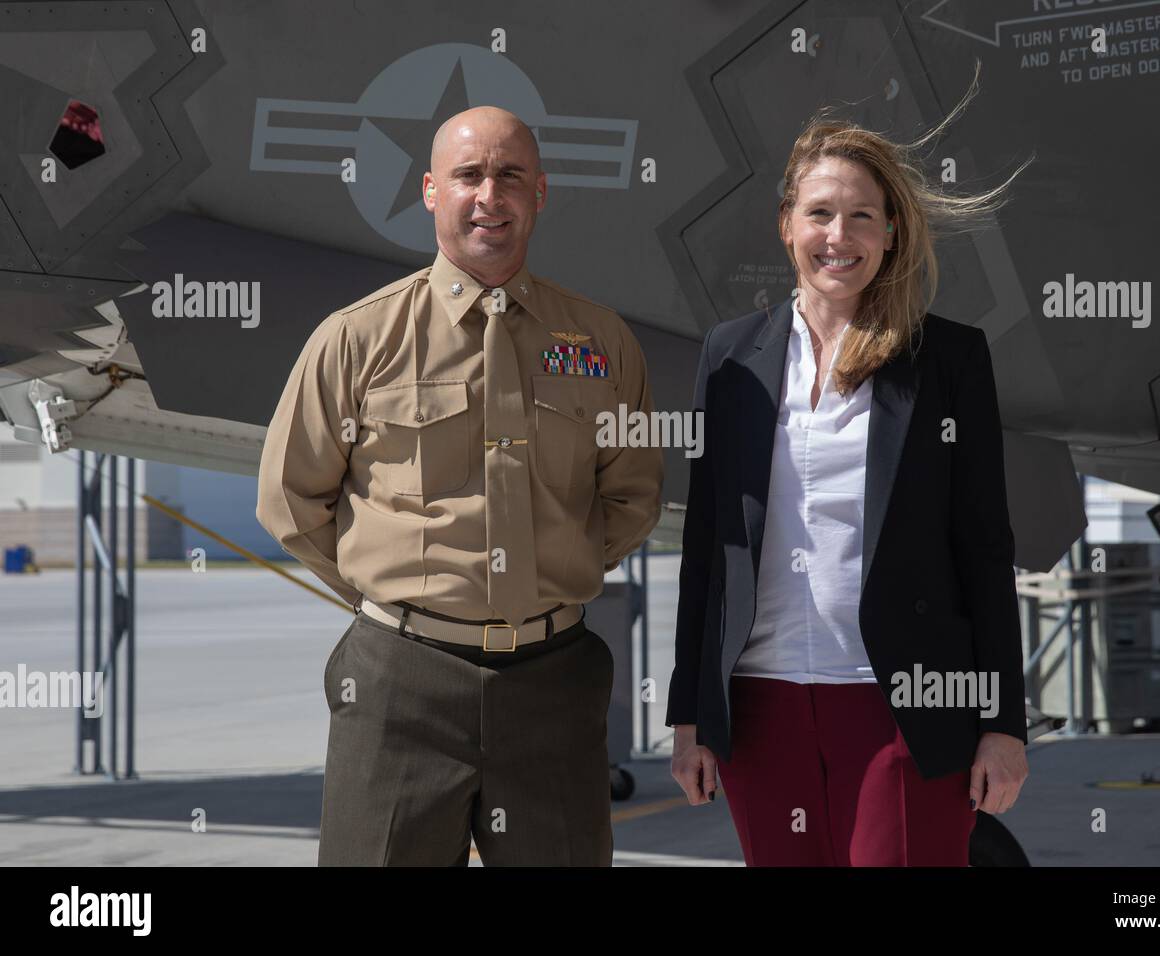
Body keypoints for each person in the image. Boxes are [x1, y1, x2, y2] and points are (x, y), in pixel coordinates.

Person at [256, 105, 662, 866]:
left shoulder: (602, 344)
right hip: (398, 688)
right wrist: (403, 595)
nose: (489, 195)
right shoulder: (356, 339)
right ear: (431, 192)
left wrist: (545, 573)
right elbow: (290, 500)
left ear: (540, 191)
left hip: (553, 682)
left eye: (510, 175)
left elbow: (633, 496)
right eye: (468, 175)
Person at [667, 92, 1032, 866]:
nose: (840, 237)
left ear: (892, 232)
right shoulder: (729, 357)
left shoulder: (948, 362)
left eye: (863, 216)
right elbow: (707, 549)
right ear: (786, 225)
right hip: (761, 708)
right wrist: (691, 717)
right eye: (820, 214)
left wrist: (1002, 723)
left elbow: (984, 550)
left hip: (901, 704)